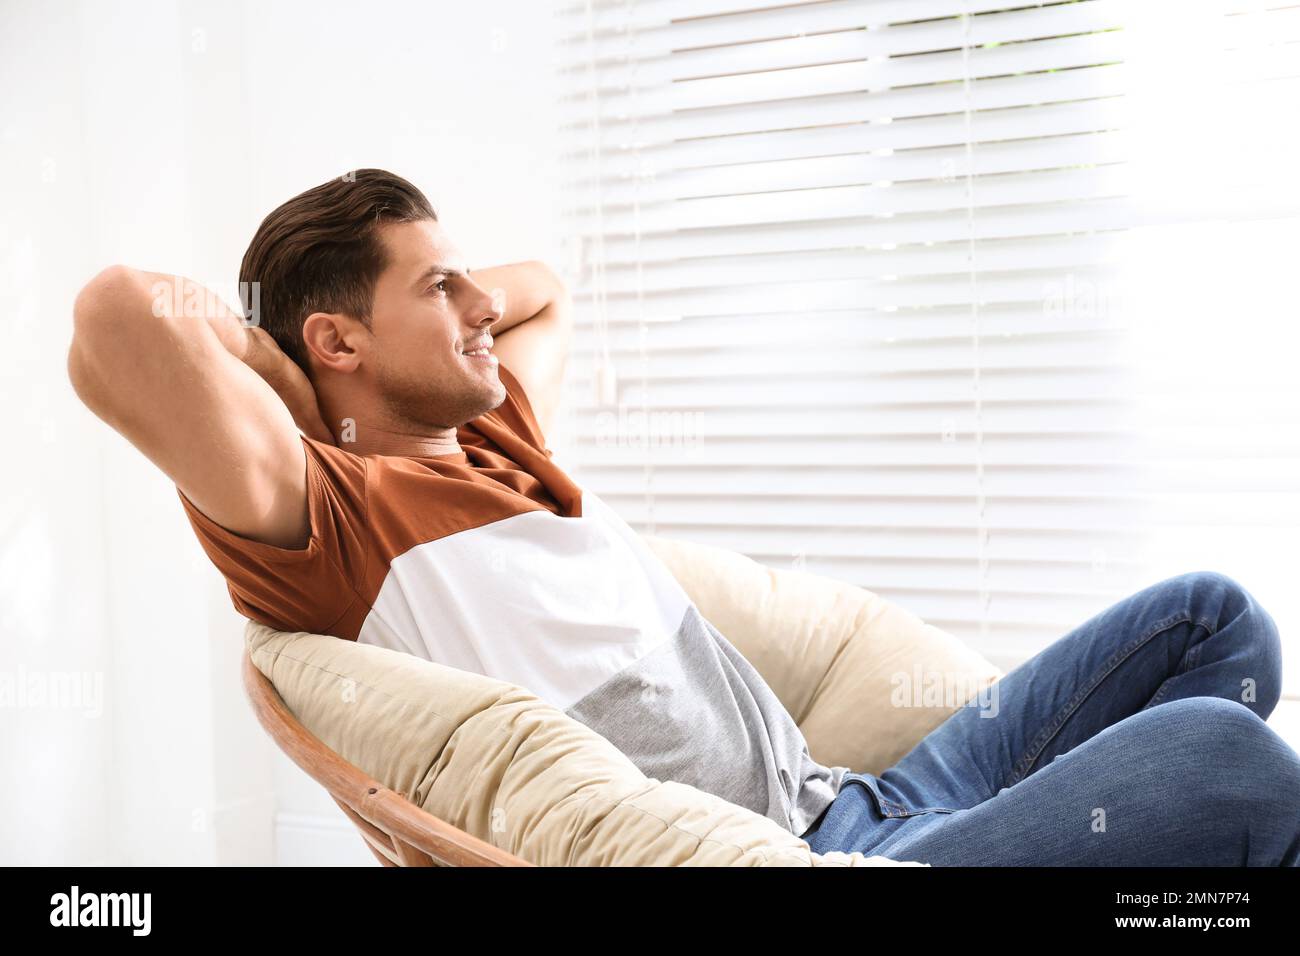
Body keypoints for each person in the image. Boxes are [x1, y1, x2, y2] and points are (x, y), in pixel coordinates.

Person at [67, 169, 1300, 865]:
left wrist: (439, 311)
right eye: (439, 287)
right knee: (1228, 756)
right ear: (335, 339)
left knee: (1217, 621)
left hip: (865, 792)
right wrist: (298, 379)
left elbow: (545, 289)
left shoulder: (498, 439)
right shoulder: (325, 517)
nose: (482, 308)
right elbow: (122, 319)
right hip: (821, 859)